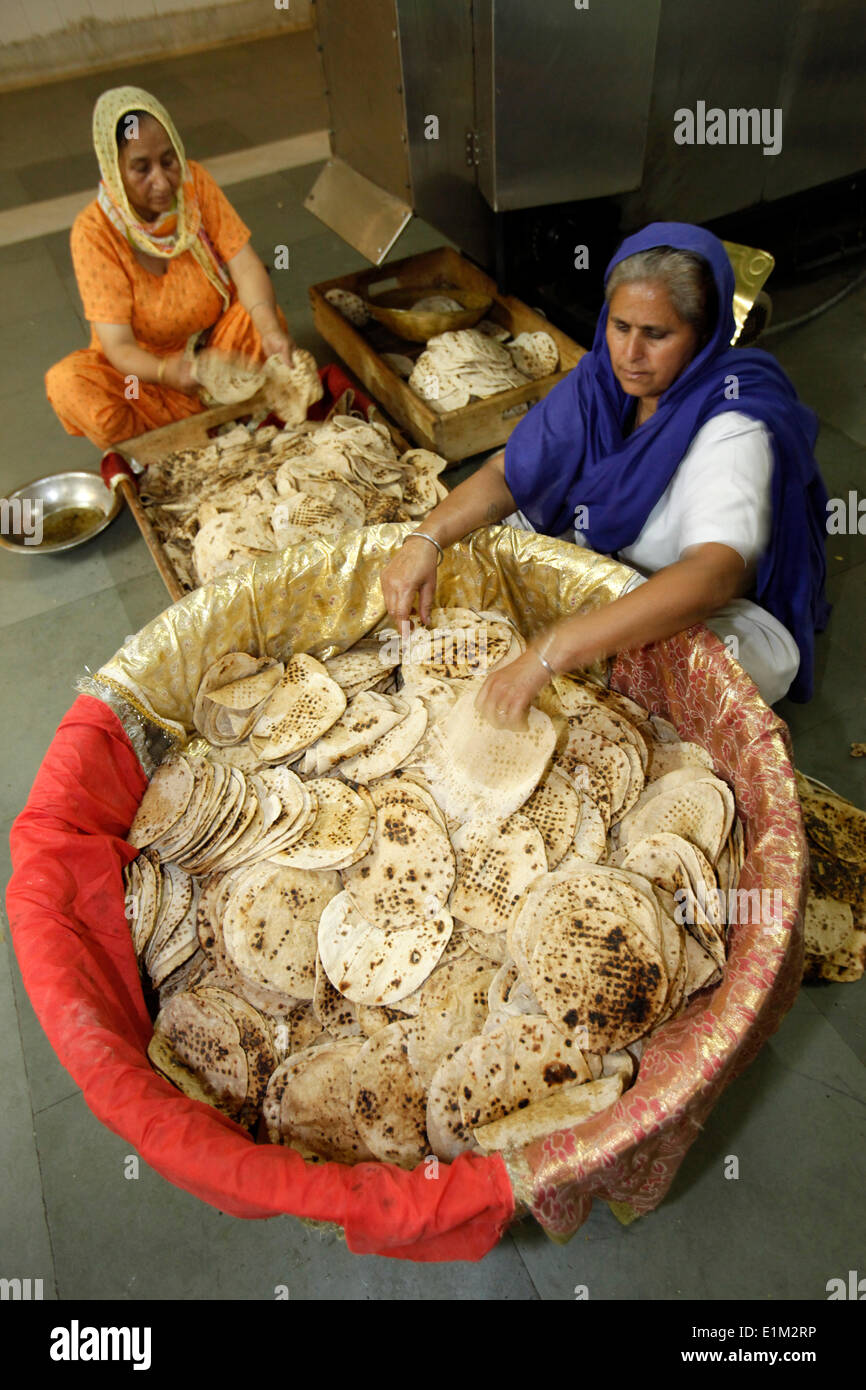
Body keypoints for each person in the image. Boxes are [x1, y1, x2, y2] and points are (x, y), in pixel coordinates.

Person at [381, 222, 830, 724]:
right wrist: (426, 540)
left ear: (703, 336)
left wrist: (557, 648)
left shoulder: (733, 424)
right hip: (600, 558)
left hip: (683, 598)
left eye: (656, 335)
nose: (630, 355)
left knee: (724, 672)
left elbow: (712, 574)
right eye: (620, 327)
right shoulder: (602, 380)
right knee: (467, 544)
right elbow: (510, 473)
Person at [45, 86, 297, 449]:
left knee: (256, 319)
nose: (162, 182)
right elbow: (117, 346)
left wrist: (270, 329)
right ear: (113, 168)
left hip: (210, 354)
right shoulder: (94, 231)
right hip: (140, 376)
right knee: (70, 383)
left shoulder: (195, 186)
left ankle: (207, 422)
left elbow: (246, 267)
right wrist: (166, 371)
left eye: (168, 160)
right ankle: (171, 439)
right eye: (141, 168)